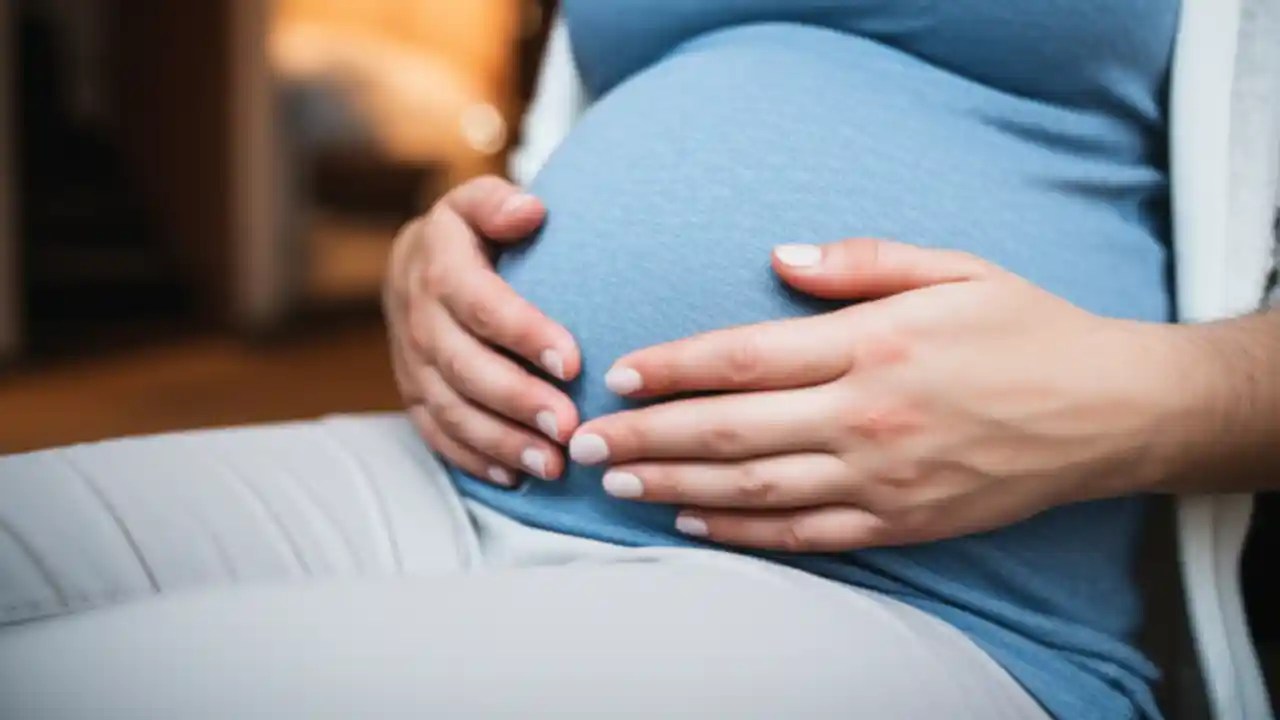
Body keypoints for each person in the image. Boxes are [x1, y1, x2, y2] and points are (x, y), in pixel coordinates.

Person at [2, 2, 1277, 718]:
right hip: (470, 473)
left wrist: (1148, 399)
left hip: (923, 592)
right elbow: (624, 118)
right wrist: (444, 253)